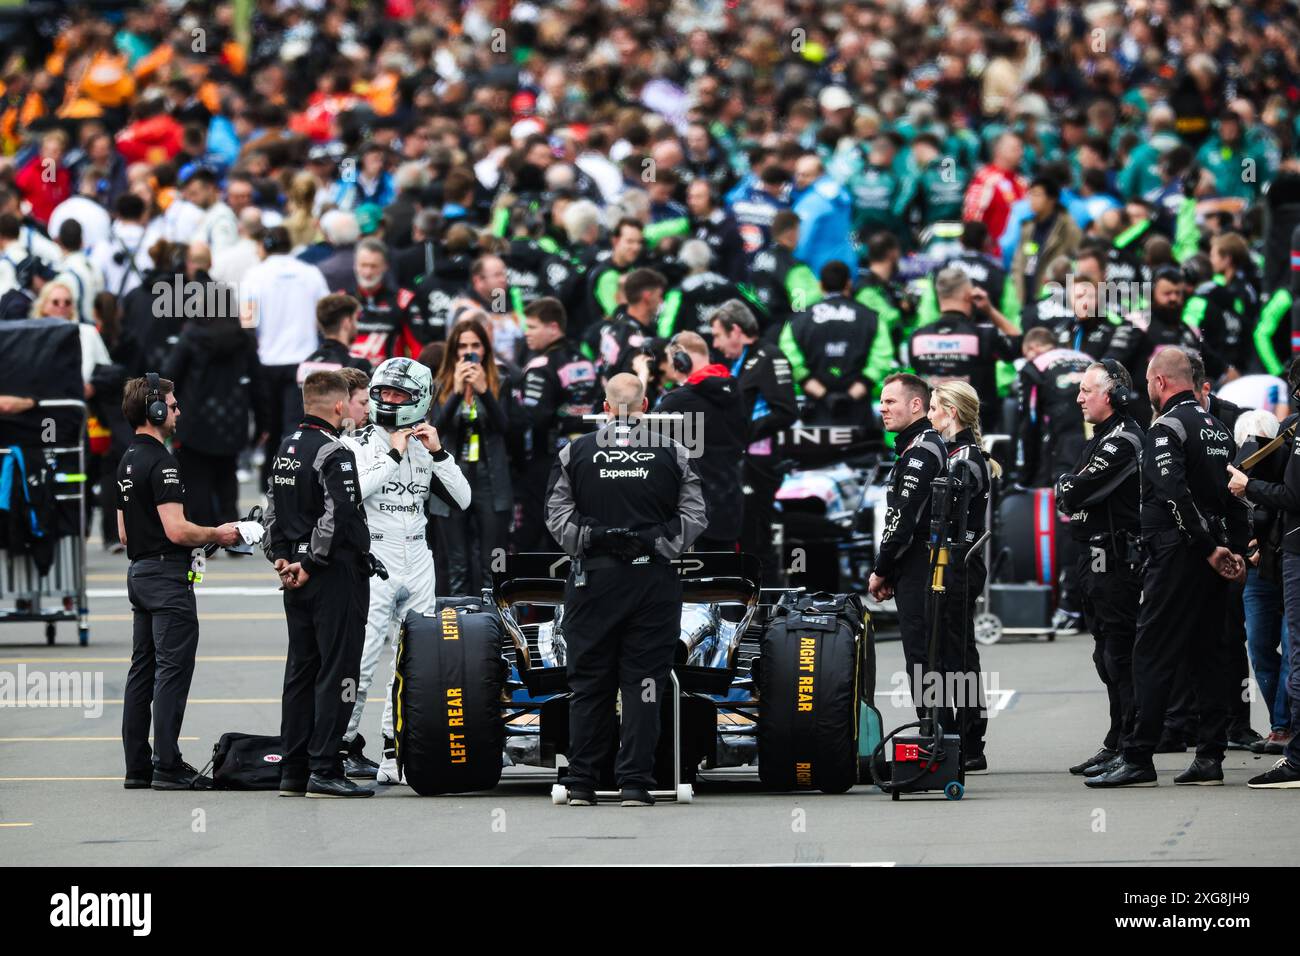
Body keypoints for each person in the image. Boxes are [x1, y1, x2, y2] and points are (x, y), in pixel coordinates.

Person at [1088, 348, 1249, 788]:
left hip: (1178, 553)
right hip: (1216, 557)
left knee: (1151, 652)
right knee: (1209, 655)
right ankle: (1210, 758)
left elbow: (1174, 493)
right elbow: (1236, 494)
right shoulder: (1219, 428)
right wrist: (1232, 550)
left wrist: (1205, 547)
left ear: (1159, 382)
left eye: (1147, 382)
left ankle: (1138, 756)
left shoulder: (1166, 429)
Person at [544, 372, 707, 806]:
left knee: (590, 684)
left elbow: (557, 520)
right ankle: (635, 783)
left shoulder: (574, 452)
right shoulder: (674, 452)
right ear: (647, 404)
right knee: (644, 683)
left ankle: (581, 783)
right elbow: (695, 517)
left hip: (592, 582)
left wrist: (595, 537)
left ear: (604, 404)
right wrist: (654, 541)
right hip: (651, 582)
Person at [340, 358, 471, 782]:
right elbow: (354, 491)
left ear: (421, 400)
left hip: (418, 556)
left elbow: (464, 499)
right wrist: (393, 453)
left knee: (412, 660)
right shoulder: (356, 442)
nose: (390, 401)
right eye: (384, 393)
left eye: (400, 395)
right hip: (375, 557)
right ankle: (340, 745)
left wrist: (439, 453)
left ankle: (395, 748)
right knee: (361, 660)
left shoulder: (426, 444)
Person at [117, 374, 240, 791]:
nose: (178, 411)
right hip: (167, 577)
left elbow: (123, 534)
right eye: (172, 405)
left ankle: (138, 766)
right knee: (171, 671)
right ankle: (166, 763)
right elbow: (176, 529)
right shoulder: (163, 462)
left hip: (139, 574)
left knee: (142, 670)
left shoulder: (128, 459)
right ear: (154, 411)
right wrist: (217, 534)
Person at [263, 370, 376, 798]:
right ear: (337, 407)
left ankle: (293, 771)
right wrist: (311, 562)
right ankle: (326, 767)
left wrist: (281, 558)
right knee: (338, 672)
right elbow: (339, 514)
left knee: (300, 671)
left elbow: (271, 506)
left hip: (293, 575)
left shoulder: (286, 448)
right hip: (331, 576)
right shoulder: (335, 452)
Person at [1055, 361, 1144, 778]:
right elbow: (1069, 491)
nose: (1079, 398)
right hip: (1091, 555)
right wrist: (1068, 489)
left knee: (1119, 653)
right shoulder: (1101, 437)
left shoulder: (1124, 438)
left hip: (1115, 556)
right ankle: (1116, 741)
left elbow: (1075, 489)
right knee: (1103, 653)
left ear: (1111, 395)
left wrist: (1069, 489)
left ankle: (1132, 745)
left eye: (1087, 391)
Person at [866, 373, 949, 739]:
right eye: (882, 402)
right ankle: (942, 737)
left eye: (890, 401)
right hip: (923, 564)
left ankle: (936, 738)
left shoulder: (921, 450)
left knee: (924, 656)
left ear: (916, 405)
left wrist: (881, 569)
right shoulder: (916, 446)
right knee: (929, 656)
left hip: (923, 565)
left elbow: (902, 518)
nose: (883, 408)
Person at [1227, 394, 1300, 787]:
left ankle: (1286, 728)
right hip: (1261, 569)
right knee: (1258, 644)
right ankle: (1279, 722)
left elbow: (1288, 499)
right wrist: (1244, 548)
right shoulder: (1246, 466)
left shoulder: (1285, 453)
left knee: (1293, 648)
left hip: (1284, 558)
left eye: (1260, 439)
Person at [927, 381, 998, 772]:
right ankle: (956, 733)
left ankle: (970, 739)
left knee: (958, 654)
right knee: (950, 653)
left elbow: (953, 522)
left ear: (952, 412)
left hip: (959, 564)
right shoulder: (959, 453)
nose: (931, 414)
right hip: (955, 561)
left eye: (936, 407)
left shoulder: (964, 459)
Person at [710, 299, 798, 582]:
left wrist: (743, 433)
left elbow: (786, 411)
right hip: (739, 461)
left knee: (757, 538)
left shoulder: (770, 356)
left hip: (761, 462)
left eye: (718, 335)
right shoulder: (738, 361)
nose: (716, 344)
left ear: (735, 330)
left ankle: (767, 609)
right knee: (742, 536)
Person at [162, 293, 263, 530]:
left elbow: (170, 374)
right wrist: (262, 422)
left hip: (193, 421)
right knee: (227, 476)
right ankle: (231, 530)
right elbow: (259, 384)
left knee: (196, 481)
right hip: (232, 419)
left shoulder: (190, 338)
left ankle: (204, 533)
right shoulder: (244, 340)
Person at [430, 316, 514, 596]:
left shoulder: (500, 380)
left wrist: (484, 392)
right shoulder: (440, 384)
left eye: (475, 345)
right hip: (452, 477)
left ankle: (492, 629)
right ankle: (457, 631)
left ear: (485, 349)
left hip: (490, 479)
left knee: (491, 563)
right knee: (457, 564)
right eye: (462, 346)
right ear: (453, 350)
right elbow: (435, 430)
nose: (468, 352)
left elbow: (505, 427)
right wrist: (454, 393)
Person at [240, 226, 331, 481]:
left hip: (266, 360)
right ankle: (297, 480)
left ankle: (269, 482)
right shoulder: (311, 273)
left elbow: (248, 321)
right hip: (303, 360)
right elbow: (324, 313)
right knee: (296, 426)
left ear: (265, 246)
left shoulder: (254, 275)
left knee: (269, 427)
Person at [515, 297, 600, 552]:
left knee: (536, 527)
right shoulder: (585, 360)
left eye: (532, 327)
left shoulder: (540, 366)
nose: (526, 333)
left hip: (547, 460)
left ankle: (528, 588)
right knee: (574, 523)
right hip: (587, 456)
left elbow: (533, 419)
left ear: (553, 327)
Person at [654, 331, 746, 551]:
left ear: (681, 360)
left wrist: (640, 375)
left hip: (693, 514)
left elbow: (634, 431)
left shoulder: (679, 400)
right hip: (730, 507)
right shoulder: (736, 391)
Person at [779, 259, 893, 427]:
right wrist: (853, 393)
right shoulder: (871, 318)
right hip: (859, 412)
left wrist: (823, 394)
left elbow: (788, 357)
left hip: (816, 413)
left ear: (820, 285)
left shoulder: (798, 320)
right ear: (848, 284)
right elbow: (882, 358)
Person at [908, 266, 1022, 432]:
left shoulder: (917, 337)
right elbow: (1018, 345)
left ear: (937, 295)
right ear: (969, 294)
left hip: (932, 433)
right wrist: (989, 310)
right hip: (977, 435)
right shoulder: (984, 335)